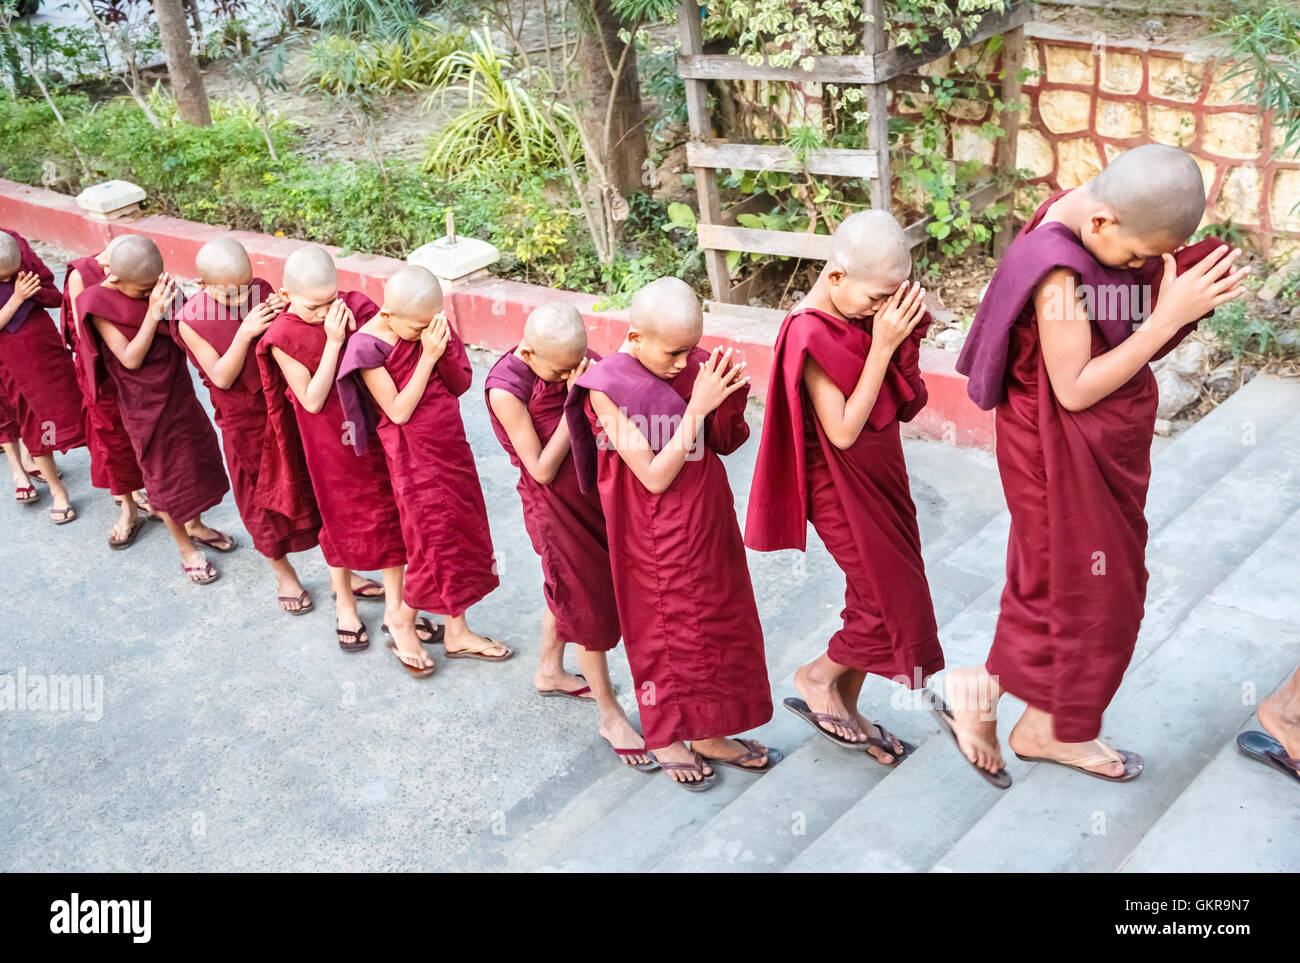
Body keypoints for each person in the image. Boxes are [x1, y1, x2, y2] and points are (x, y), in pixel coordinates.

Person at [936, 143, 1248, 785]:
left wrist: (1173, 281)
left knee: (1055, 577)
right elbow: (1074, 387)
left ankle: (990, 697)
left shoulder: (1086, 208)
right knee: (1097, 589)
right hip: (1055, 451)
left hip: (1078, 444)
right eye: (1136, 257)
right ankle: (1047, 725)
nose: (1138, 269)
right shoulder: (1058, 274)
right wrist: (1167, 319)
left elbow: (1126, 281)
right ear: (1102, 222)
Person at [565, 277, 778, 791]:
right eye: (671, 352)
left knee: (718, 625)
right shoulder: (607, 388)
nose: (683, 364)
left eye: (690, 349)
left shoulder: (694, 367)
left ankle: (707, 732)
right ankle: (664, 734)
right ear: (635, 338)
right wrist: (699, 406)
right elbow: (654, 475)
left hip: (706, 521)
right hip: (652, 535)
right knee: (665, 634)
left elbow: (723, 444)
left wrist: (726, 396)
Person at [746, 210, 940, 766]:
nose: (884, 311)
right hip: (838, 485)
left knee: (879, 593)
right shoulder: (810, 331)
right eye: (877, 297)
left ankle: (847, 707)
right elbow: (844, 429)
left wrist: (892, 336)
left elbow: (900, 401)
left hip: (884, 477)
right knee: (884, 602)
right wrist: (882, 345)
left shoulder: (859, 312)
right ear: (835, 278)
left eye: (893, 298)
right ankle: (816, 677)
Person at [486, 301, 654, 770]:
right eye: (559, 372)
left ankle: (549, 670)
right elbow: (540, 467)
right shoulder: (506, 389)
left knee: (570, 587)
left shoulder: (576, 362)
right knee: (586, 605)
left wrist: (593, 376)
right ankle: (610, 714)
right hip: (552, 505)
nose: (566, 378)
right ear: (528, 351)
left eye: (574, 368)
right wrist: (575, 398)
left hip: (593, 495)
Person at [337, 265, 506, 676]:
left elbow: (460, 383)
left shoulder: (429, 326)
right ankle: (402, 617)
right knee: (434, 541)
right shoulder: (367, 347)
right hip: (414, 458)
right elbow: (396, 410)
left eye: (431, 323)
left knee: (462, 535)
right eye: (415, 328)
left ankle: (457, 630)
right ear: (389, 314)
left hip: (450, 444)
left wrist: (438, 346)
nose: (423, 333)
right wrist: (428, 357)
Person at [256, 245, 407, 651]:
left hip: (372, 430)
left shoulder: (354, 306)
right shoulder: (283, 335)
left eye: (330, 301)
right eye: (313, 307)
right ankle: (344, 600)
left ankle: (397, 608)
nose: (324, 313)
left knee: (390, 513)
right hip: (325, 441)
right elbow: (311, 399)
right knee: (336, 519)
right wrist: (336, 341)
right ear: (286, 297)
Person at [174, 236, 322, 614]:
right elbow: (221, 377)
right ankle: (284, 573)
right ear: (203, 285)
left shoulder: (260, 291)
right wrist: (246, 331)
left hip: (284, 407)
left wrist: (284, 311)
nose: (240, 301)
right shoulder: (191, 318)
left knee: (313, 484)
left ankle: (343, 567)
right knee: (261, 500)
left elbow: (286, 339)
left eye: (245, 289)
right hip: (244, 424)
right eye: (228, 297)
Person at [79, 235, 234, 582]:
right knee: (165, 479)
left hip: (179, 396)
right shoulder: (99, 302)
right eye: (140, 291)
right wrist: (152, 313)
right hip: (144, 408)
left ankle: (195, 525)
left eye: (154, 287)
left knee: (195, 463)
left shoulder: (156, 288)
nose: (150, 295)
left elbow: (184, 323)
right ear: (116, 280)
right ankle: (185, 548)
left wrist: (183, 296)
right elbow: (130, 359)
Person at [62, 237, 150, 548]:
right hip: (102, 370)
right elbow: (84, 332)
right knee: (112, 441)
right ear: (106, 266)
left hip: (138, 369)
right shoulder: (81, 275)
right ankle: (128, 507)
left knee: (142, 436)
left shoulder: (137, 268)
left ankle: (141, 490)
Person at [0, 229, 86, 524]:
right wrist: (16, 297)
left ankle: (123, 488)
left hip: (45, 350)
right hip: (10, 363)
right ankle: (57, 490)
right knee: (35, 426)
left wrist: (34, 292)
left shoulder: (15, 243)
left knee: (81, 412)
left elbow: (55, 297)